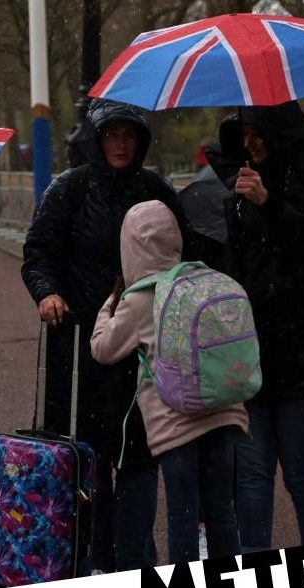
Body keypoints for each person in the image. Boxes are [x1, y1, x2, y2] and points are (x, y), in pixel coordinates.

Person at [22, 98, 208, 573]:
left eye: (129, 135)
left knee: (138, 456)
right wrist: (47, 294)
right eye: (111, 135)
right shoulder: (71, 189)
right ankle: (85, 555)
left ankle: (134, 560)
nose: (120, 144)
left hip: (143, 344)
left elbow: (183, 249)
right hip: (82, 345)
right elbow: (39, 252)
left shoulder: (155, 189)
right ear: (96, 139)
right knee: (86, 456)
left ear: (140, 140)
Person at [206, 101, 304, 553]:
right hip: (252, 354)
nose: (250, 143)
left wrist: (269, 202)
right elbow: (237, 262)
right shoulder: (239, 183)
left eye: (258, 133)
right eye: (244, 134)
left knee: (302, 476)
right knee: (254, 478)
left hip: (303, 352)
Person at [90, 200, 248, 564]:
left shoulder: (141, 298)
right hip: (225, 411)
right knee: (222, 509)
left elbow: (103, 348)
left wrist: (108, 305)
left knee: (183, 513)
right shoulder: (203, 279)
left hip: (175, 422)